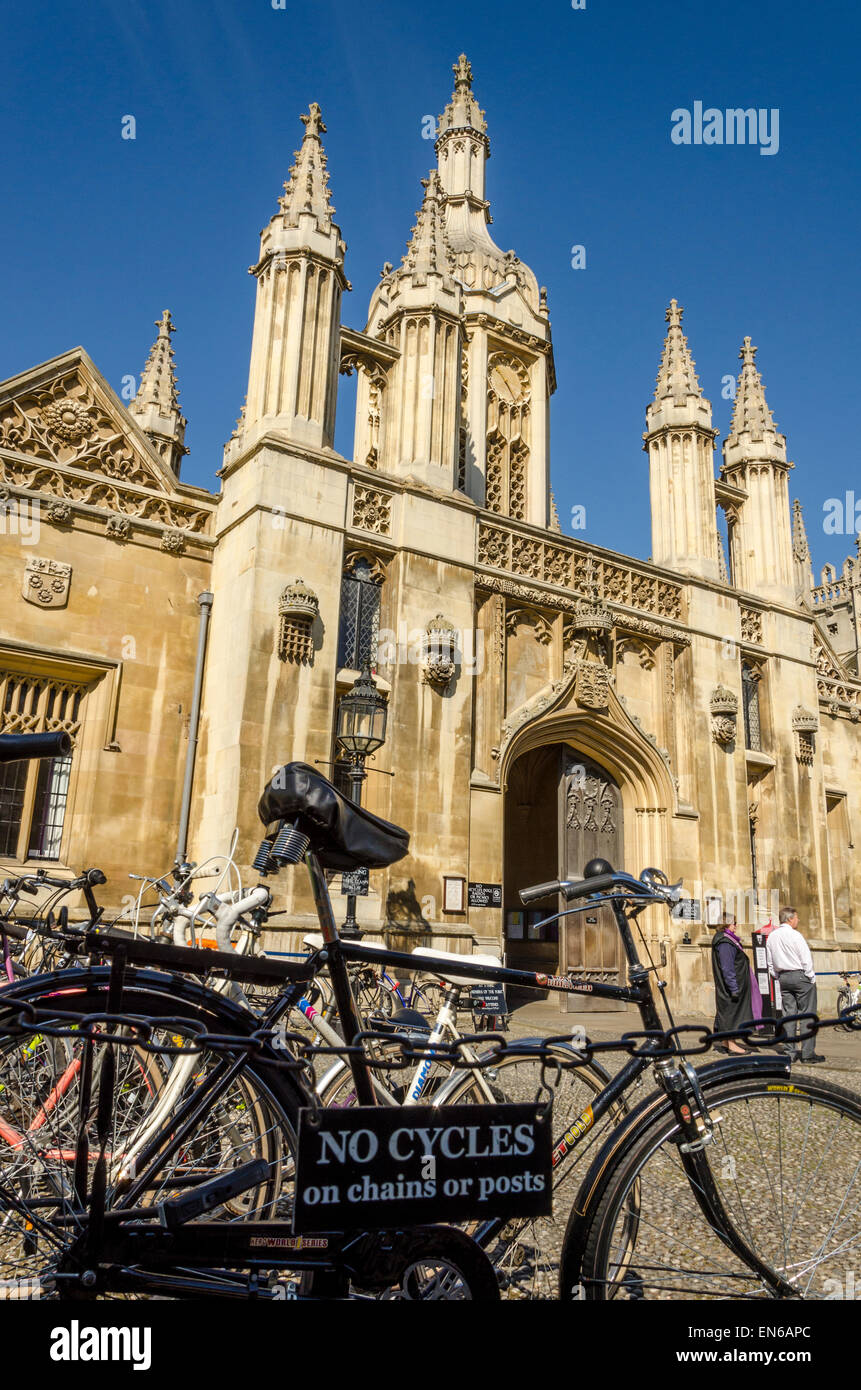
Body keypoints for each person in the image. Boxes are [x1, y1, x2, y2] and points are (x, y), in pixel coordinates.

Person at [766, 906, 825, 1064]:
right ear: (790, 919)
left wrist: (777, 976)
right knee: (807, 1014)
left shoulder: (772, 937)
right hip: (800, 975)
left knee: (789, 1016)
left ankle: (789, 1053)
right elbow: (806, 958)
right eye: (797, 917)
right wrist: (810, 976)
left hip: (783, 977)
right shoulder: (795, 935)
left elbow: (770, 961)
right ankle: (807, 1054)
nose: (798, 920)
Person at [710, 912, 760, 1054]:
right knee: (732, 1015)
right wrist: (734, 988)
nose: (736, 926)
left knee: (729, 1014)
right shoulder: (725, 942)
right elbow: (727, 968)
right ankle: (731, 1045)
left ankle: (726, 1042)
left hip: (734, 985)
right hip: (732, 987)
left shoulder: (726, 939)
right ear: (726, 924)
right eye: (734, 923)